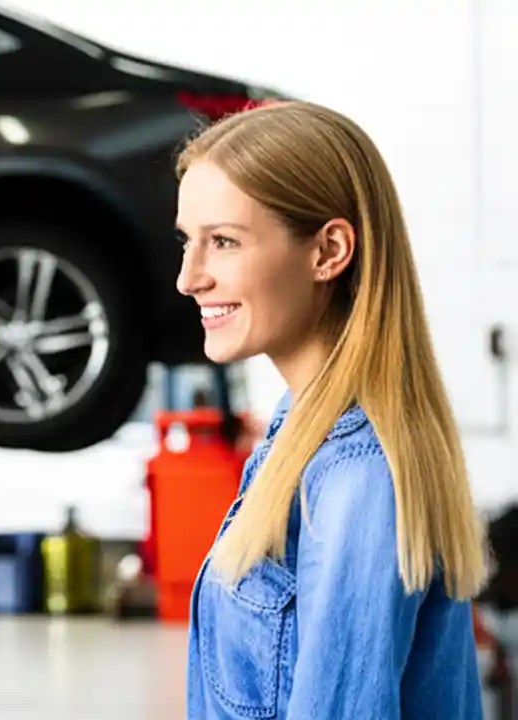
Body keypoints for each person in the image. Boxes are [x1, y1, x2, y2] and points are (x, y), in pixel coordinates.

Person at [173, 99, 490, 718]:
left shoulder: (356, 475)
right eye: (188, 241)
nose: (190, 277)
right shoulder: (302, 433)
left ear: (328, 251)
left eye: (225, 242)